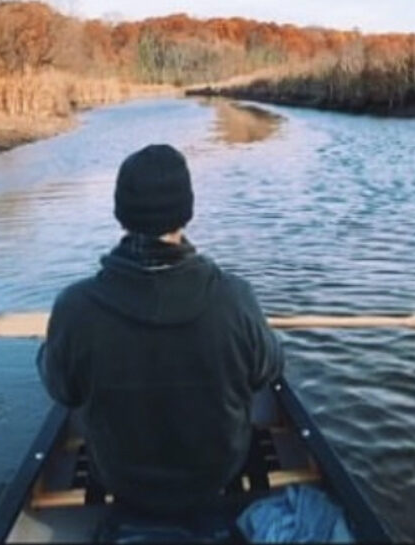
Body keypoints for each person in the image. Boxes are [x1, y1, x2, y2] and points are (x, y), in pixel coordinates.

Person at [36, 144, 286, 519]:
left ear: (121, 214)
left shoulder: (75, 306)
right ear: (186, 212)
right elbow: (268, 370)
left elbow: (62, 389)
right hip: (217, 471)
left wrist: (52, 345)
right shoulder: (235, 297)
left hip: (120, 477)